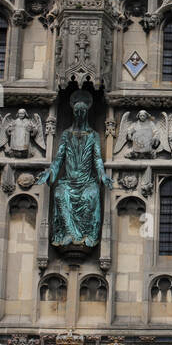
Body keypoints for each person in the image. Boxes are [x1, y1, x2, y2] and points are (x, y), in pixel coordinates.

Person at [36, 89, 113, 248]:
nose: (79, 115)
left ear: (86, 113)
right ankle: (69, 235)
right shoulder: (65, 134)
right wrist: (50, 172)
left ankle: (85, 235)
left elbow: (97, 158)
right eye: (76, 112)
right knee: (59, 194)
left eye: (82, 112)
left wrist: (103, 175)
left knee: (91, 195)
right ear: (73, 112)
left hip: (87, 182)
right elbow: (58, 158)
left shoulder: (93, 135)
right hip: (69, 182)